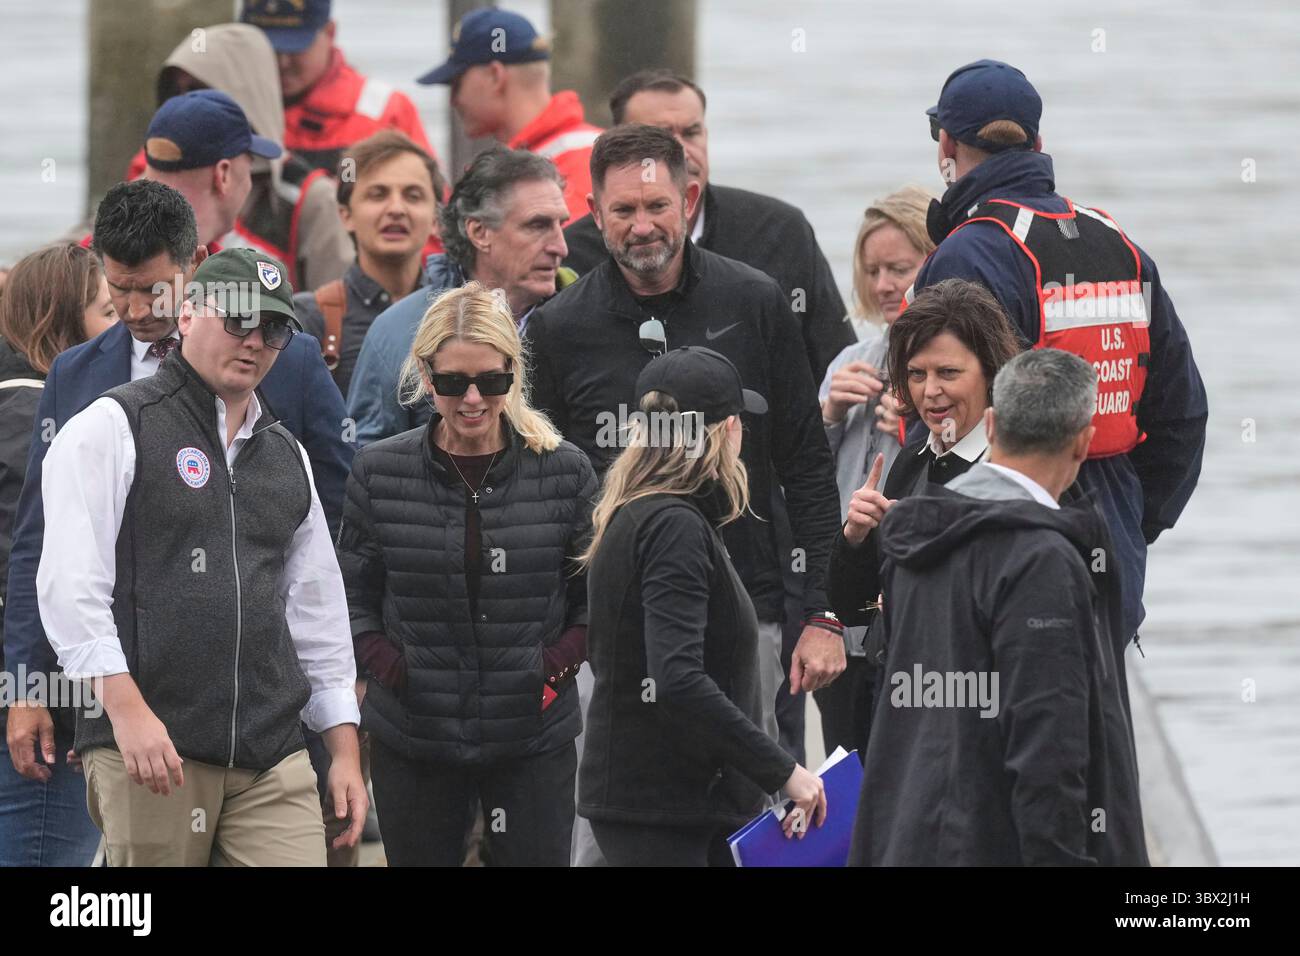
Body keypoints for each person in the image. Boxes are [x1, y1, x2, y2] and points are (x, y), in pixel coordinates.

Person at [3, 182, 354, 857]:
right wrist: (35, 685)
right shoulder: (84, 384)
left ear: (189, 270)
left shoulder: (290, 384)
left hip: (265, 730)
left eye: (151, 289)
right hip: (141, 719)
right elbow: (42, 545)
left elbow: (323, 556)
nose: (136, 309)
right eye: (119, 290)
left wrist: (338, 724)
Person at [525, 126, 844, 811]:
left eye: (657, 207)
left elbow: (808, 467)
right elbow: (544, 491)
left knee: (754, 804)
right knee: (609, 813)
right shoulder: (558, 328)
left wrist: (820, 609)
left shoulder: (755, 301)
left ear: (689, 198)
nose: (642, 227)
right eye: (623, 211)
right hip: (611, 622)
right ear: (593, 213)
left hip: (744, 605)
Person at [915, 59, 1207, 669]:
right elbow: (1181, 414)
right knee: (1095, 739)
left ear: (946, 144)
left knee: (993, 742)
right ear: (1038, 143)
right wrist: (1133, 522)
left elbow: (943, 425)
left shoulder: (966, 254)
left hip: (1001, 549)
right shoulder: (1119, 244)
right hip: (1112, 537)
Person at [848, 349, 1148, 866]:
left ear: (990, 424)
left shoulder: (916, 538)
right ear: (1083, 442)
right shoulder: (1042, 559)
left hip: (907, 833)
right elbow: (1047, 746)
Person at [337, 282, 596, 866]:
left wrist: (550, 670)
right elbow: (352, 598)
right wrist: (393, 668)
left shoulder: (564, 471)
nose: (474, 398)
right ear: (426, 376)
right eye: (454, 382)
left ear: (513, 372)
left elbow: (594, 603)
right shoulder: (379, 472)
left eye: (492, 380)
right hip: (415, 735)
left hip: (532, 734)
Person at [578, 347, 826, 867]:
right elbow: (678, 678)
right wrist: (784, 770)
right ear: (725, 429)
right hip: (667, 812)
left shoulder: (642, 515)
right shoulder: (674, 527)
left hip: (663, 804)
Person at [826, 279, 1022, 749]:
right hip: (895, 706)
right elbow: (853, 609)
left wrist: (920, 541)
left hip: (976, 721)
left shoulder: (1013, 470)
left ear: (991, 372)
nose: (930, 392)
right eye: (916, 374)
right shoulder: (912, 458)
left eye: (948, 373)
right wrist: (855, 538)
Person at [563, 69, 854, 383]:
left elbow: (836, 362)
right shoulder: (571, 251)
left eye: (691, 132)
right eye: (659, 138)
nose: (682, 152)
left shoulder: (781, 230)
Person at [0, 243, 117, 867]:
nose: (126, 323)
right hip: (45, 709)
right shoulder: (32, 413)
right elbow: (33, 567)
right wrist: (30, 689)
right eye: (107, 310)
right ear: (62, 326)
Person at [347, 147, 576, 446]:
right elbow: (367, 462)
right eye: (537, 225)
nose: (561, 247)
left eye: (561, 225)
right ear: (479, 232)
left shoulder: (585, 320)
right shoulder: (398, 331)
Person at [815, 186, 934, 759]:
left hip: (908, 607)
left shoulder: (948, 367)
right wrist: (829, 414)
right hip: (842, 601)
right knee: (843, 762)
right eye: (873, 270)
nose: (885, 284)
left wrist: (919, 426)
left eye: (900, 268)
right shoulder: (849, 360)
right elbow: (806, 481)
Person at [126, 22, 354, 290]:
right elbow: (87, 250)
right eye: (177, 91)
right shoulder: (151, 179)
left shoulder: (309, 200)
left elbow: (334, 314)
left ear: (248, 93)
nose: (187, 100)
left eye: (201, 87)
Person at [294, 130, 445, 398]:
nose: (396, 208)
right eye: (378, 195)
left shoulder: (458, 315)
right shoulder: (309, 320)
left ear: (436, 218)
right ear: (346, 215)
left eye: (413, 195)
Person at [418, 8, 601, 224]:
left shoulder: (582, 164)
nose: (453, 101)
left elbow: (569, 256)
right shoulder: (580, 156)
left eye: (456, 83)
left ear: (495, 76)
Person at [240, 0, 435, 177]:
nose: (282, 62)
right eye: (267, 47)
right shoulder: (226, 103)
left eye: (296, 47)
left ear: (330, 32)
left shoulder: (387, 113)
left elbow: (431, 201)